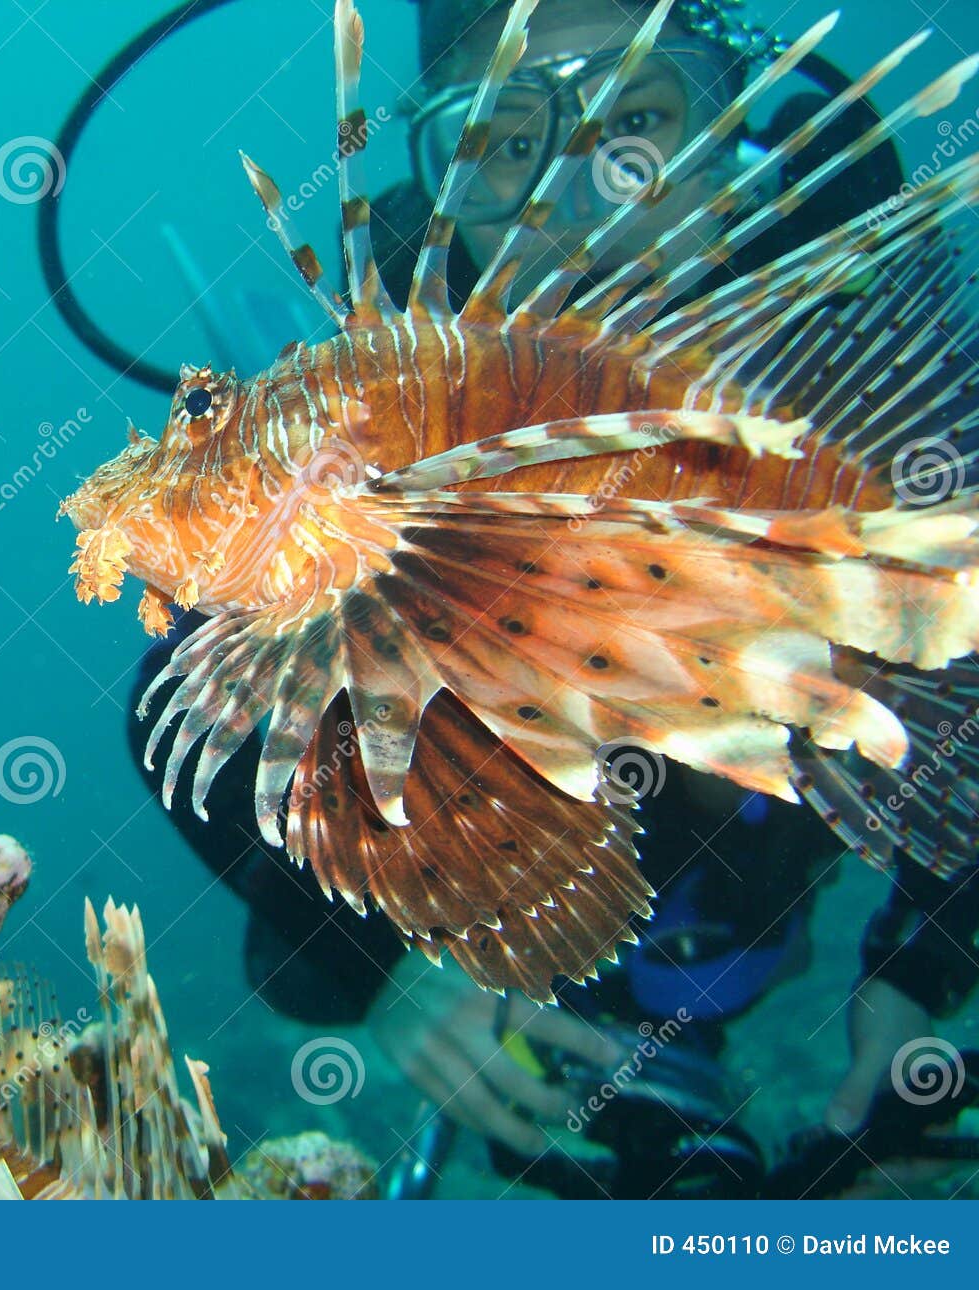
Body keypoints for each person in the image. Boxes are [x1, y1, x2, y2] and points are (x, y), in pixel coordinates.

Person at [129, 0, 979, 1194]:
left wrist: (921, 966)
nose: (582, 195)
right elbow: (176, 687)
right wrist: (381, 972)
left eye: (638, 119)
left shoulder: (837, 332)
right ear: (442, 171)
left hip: (766, 875)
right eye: (509, 144)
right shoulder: (396, 397)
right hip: (527, 942)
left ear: (729, 124)